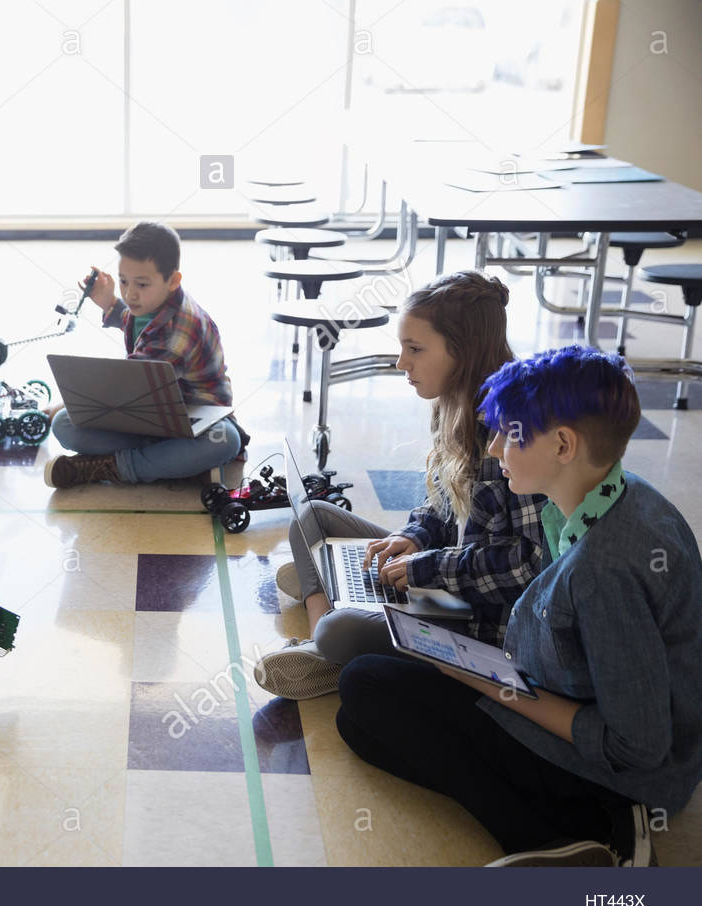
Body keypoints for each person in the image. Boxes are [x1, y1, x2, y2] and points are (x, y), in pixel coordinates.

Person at [335, 346, 702, 866]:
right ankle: (562, 815)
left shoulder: (606, 569)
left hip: (626, 770)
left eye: (508, 432)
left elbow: (636, 747)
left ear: (563, 445)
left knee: (365, 685)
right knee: (358, 724)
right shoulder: (622, 495)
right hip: (552, 684)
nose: (492, 447)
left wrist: (489, 684)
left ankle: (582, 828)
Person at [254, 271, 546, 699]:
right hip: (441, 576)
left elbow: (527, 566)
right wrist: (415, 535)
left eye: (414, 349)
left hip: (477, 622)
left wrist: (425, 568)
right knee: (311, 517)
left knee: (340, 628)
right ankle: (336, 600)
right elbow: (444, 506)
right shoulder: (451, 402)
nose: (400, 363)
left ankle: (327, 634)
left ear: (461, 353)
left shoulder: (513, 432)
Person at [43, 221, 243, 488]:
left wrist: (67, 403)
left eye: (142, 284)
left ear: (173, 281)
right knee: (64, 425)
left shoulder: (177, 332)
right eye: (124, 281)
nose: (130, 293)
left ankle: (112, 468)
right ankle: (177, 466)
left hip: (195, 421)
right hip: (148, 416)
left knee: (225, 440)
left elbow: (124, 388)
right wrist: (111, 303)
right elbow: (135, 321)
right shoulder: (153, 304)